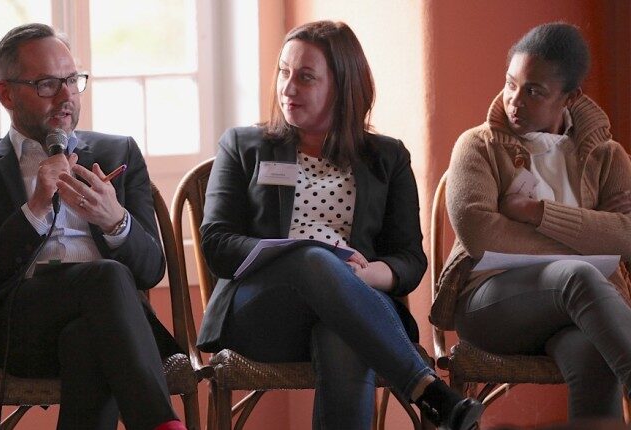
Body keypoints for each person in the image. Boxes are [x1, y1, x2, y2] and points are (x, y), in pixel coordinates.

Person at [196, 20, 482, 430]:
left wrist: (366, 276)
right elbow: (217, 244)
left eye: (306, 77)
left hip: (355, 305)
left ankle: (427, 392)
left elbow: (408, 259)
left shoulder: (387, 158)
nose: (288, 88)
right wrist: (299, 255)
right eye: (284, 72)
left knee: (340, 335)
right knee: (310, 258)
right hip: (262, 312)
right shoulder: (243, 146)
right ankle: (426, 389)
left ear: (343, 87)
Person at [0, 23, 186, 430]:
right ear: (6, 93)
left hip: (111, 325)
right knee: (104, 278)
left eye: (73, 80)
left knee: (87, 337)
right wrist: (34, 209)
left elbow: (151, 269)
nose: (68, 95)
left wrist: (114, 220)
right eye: (49, 84)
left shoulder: (118, 150)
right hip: (19, 331)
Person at [433, 22, 631, 420]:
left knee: (594, 354)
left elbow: (625, 236)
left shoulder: (608, 156)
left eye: (534, 90)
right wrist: (587, 242)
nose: (514, 101)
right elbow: (480, 234)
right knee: (577, 274)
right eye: (510, 84)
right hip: (489, 305)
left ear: (571, 97)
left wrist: (539, 214)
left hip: (577, 310)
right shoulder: (478, 145)